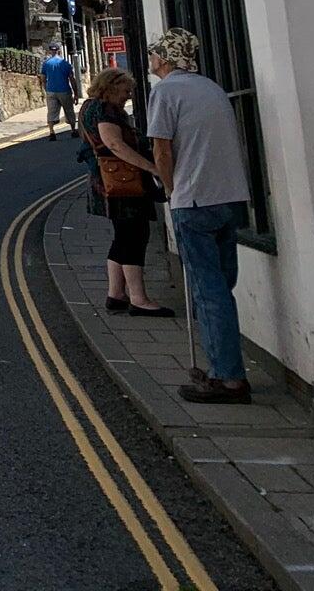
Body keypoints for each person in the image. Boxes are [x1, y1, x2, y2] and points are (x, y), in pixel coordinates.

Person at [146, 28, 254, 405]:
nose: (151, 62)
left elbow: (161, 150)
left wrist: (172, 191)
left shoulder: (164, 92)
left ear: (165, 59)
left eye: (155, 55)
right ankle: (226, 367)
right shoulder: (212, 88)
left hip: (194, 202)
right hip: (231, 198)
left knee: (208, 293)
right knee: (222, 287)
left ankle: (228, 379)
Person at [79, 67, 171, 316]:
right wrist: (153, 168)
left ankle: (116, 295)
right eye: (125, 90)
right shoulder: (105, 110)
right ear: (109, 88)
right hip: (123, 183)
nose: (129, 95)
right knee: (134, 235)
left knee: (123, 235)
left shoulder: (91, 107)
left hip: (110, 183)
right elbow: (115, 145)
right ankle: (139, 299)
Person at [42, 42, 81, 141]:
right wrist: (76, 94)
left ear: (50, 51)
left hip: (51, 91)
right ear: (59, 51)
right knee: (69, 111)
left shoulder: (46, 64)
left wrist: (46, 90)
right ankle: (73, 130)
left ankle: (51, 132)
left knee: (51, 112)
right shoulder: (65, 63)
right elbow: (72, 79)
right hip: (64, 90)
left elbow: (43, 79)